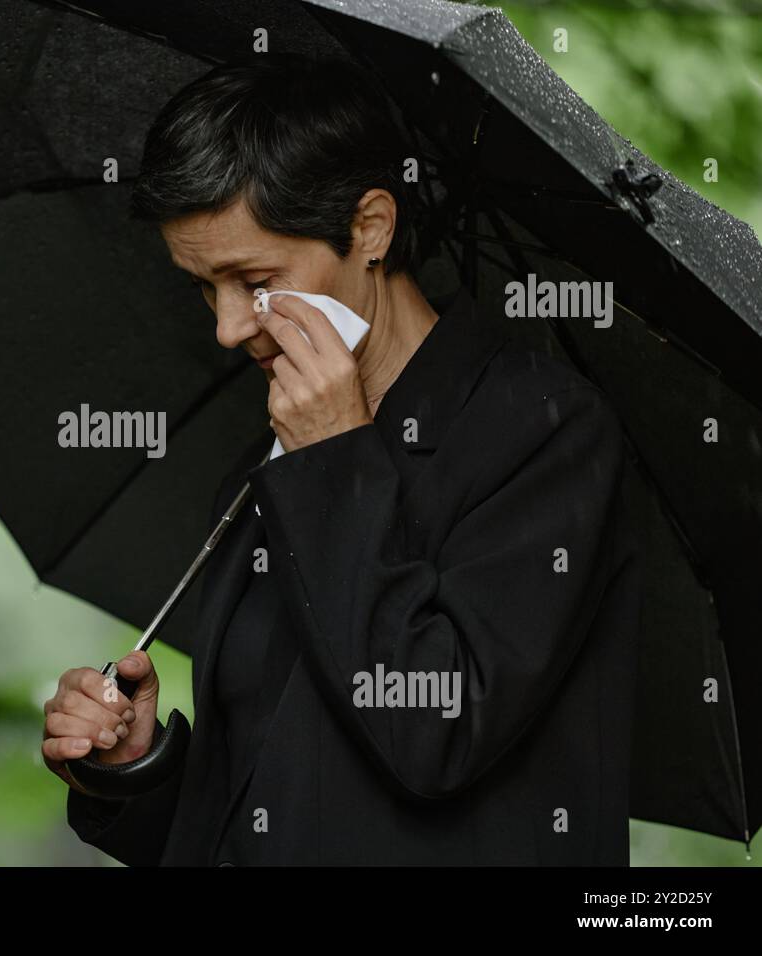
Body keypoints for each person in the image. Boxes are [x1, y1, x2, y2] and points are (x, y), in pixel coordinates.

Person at [41, 53, 638, 865]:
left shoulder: (544, 434)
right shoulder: (264, 470)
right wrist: (136, 769)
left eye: (252, 280)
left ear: (370, 229)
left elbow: (434, 737)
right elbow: (272, 805)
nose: (225, 328)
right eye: (200, 287)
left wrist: (333, 462)